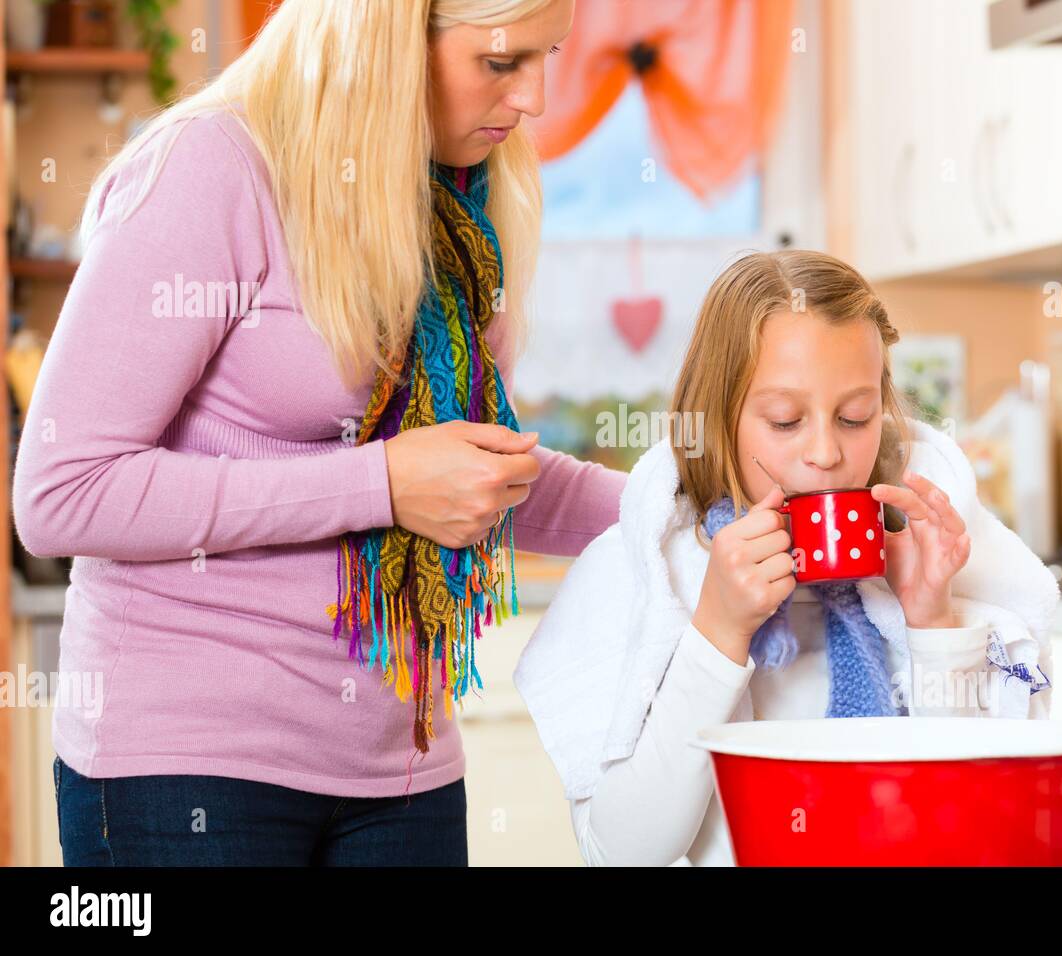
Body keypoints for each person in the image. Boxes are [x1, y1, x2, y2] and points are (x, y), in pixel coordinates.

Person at [13, 0, 624, 866]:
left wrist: (697, 507)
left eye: (549, 55)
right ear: (387, 37)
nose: (536, 97)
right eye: (501, 61)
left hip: (399, 770)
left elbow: (469, 472)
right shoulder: (214, 167)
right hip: (187, 770)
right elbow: (61, 494)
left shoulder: (452, 206)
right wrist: (377, 484)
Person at [513, 249, 1060, 865]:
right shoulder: (650, 572)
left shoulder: (931, 554)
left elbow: (970, 821)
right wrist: (718, 632)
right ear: (720, 418)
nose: (825, 452)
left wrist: (931, 621)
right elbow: (619, 854)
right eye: (784, 420)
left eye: (854, 417)